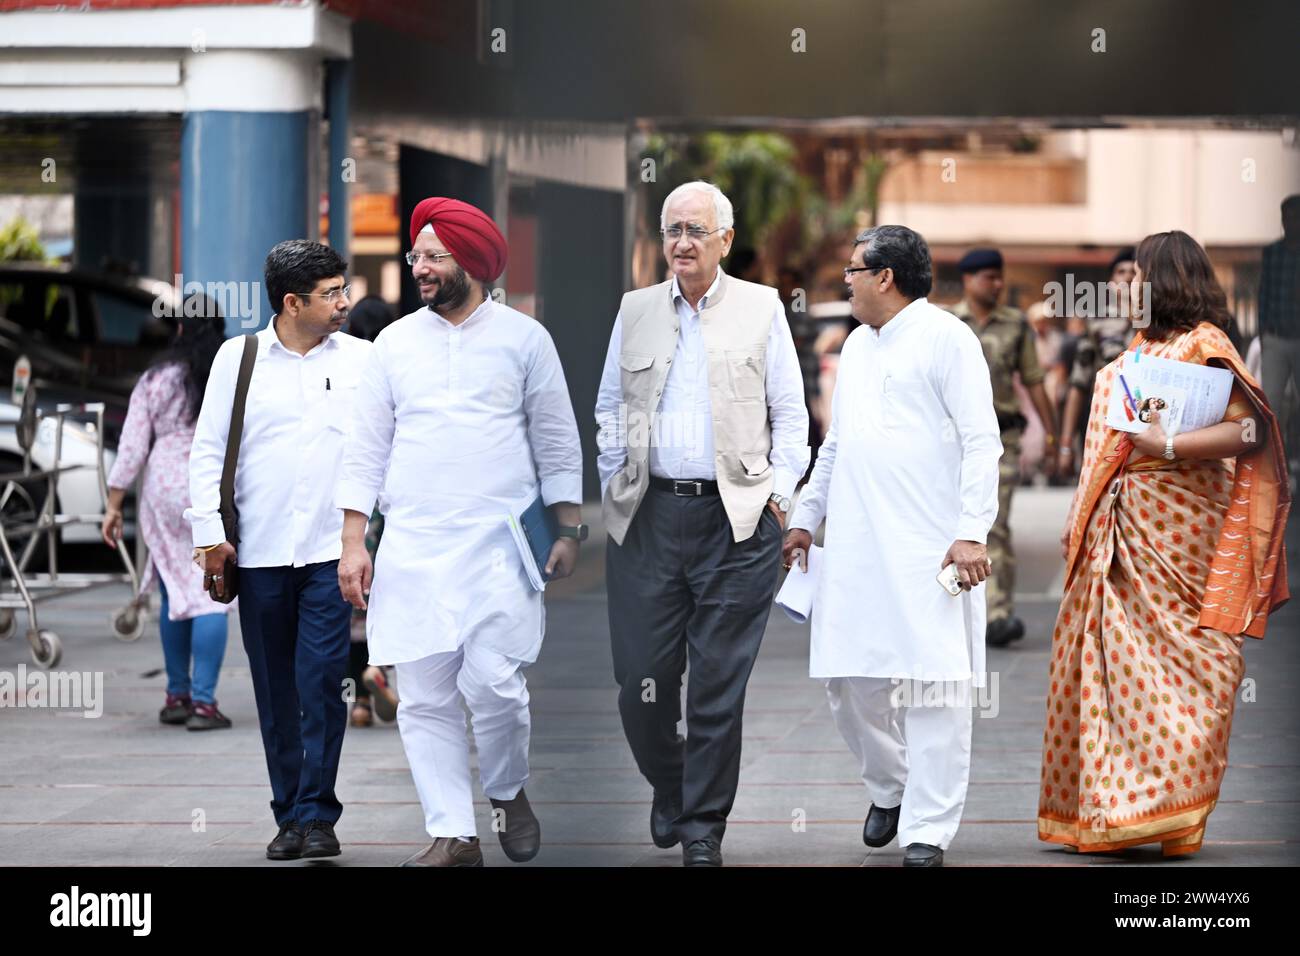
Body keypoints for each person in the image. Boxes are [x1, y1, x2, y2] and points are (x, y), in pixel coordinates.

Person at [337, 197, 583, 868]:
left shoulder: (525, 339)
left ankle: (506, 789)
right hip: (413, 546)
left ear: (471, 263)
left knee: (494, 683)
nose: (420, 267)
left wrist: (568, 527)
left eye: (434, 257)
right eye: (416, 255)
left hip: (500, 545)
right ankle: (453, 832)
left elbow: (559, 443)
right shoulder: (393, 345)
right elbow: (364, 451)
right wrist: (354, 541)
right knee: (423, 697)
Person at [1038, 230, 1290, 857]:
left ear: (1166, 281)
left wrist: (1170, 444)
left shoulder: (1204, 343)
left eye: (1136, 278)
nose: (1124, 289)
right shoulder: (1138, 350)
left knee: (1198, 664)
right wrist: (1079, 514)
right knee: (1115, 670)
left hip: (1179, 531)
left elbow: (1252, 428)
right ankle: (1117, 808)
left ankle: (1176, 808)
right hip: (1116, 532)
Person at [595, 180, 810, 866]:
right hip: (648, 518)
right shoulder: (634, 310)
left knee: (718, 684)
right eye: (672, 230)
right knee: (640, 682)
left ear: (724, 239)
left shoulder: (762, 308)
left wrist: (779, 497)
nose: (682, 242)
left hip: (737, 523)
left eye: (696, 230)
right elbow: (608, 405)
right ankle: (672, 781)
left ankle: (702, 829)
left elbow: (793, 415)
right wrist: (614, 475)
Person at [784, 225, 1001, 868]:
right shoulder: (854, 346)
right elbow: (838, 445)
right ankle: (890, 785)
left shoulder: (948, 339)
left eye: (853, 270)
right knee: (849, 681)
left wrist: (970, 530)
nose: (844, 280)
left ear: (885, 277)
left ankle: (928, 829)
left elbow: (981, 441)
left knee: (937, 688)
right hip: (855, 548)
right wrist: (805, 516)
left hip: (929, 549)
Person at [187, 240, 370, 861]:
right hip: (259, 554)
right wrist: (209, 535)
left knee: (321, 681)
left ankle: (318, 814)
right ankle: (288, 813)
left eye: (344, 289)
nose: (345, 302)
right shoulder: (237, 360)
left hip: (328, 553)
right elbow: (208, 451)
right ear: (292, 302)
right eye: (332, 293)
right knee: (275, 691)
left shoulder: (364, 362)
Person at [101, 306, 236, 731]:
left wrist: (112, 503)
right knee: (209, 591)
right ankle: (203, 703)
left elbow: (132, 446)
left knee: (172, 588)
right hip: (209, 486)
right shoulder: (226, 377)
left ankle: (176, 695)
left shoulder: (156, 379)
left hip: (162, 488)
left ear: (179, 329)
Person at [949, 248, 1059, 646]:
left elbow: (1033, 380)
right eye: (988, 277)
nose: (996, 285)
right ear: (968, 280)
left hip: (1001, 440)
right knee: (949, 524)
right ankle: (958, 612)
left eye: (1000, 277)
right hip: (951, 443)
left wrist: (1054, 436)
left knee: (994, 524)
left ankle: (997, 613)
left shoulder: (1016, 325)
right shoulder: (947, 324)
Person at [340, 295, 398, 728]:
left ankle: (358, 701)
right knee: (387, 597)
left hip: (355, 501)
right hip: (393, 501)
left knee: (352, 600)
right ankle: (382, 670)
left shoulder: (343, 370)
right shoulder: (395, 366)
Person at [1058, 247, 1139, 476]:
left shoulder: (1160, 321)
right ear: (1112, 282)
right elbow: (1078, 383)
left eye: (1134, 271)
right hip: (1106, 426)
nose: (1128, 276)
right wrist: (1065, 444)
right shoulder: (1096, 321)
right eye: (1121, 271)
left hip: (1150, 424)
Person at [1258, 195, 1300, 469]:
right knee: (1270, 404)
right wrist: (1263, 335)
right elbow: (1264, 294)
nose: (1289, 222)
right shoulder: (1272, 252)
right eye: (1286, 216)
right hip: (1275, 336)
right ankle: (1274, 465)